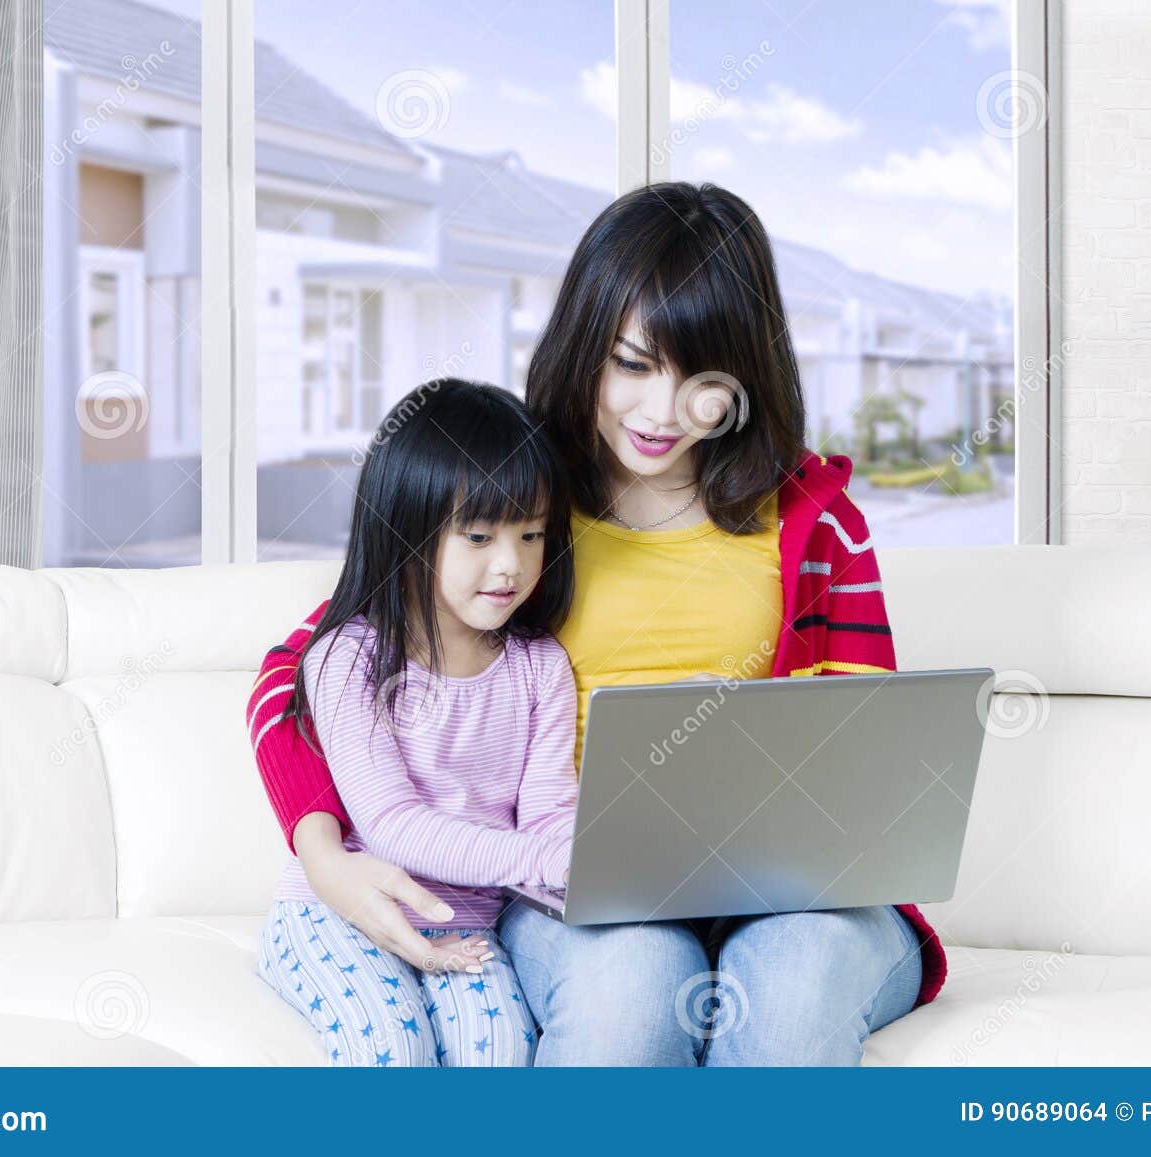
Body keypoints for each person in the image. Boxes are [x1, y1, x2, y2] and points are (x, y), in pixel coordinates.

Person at [248, 182, 946, 1066]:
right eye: (634, 364)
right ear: (586, 347)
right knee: (625, 1005)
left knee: (789, 1003)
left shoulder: (817, 522)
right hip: (577, 886)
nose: (662, 412)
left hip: (798, 899)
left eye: (704, 381)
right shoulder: (516, 498)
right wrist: (323, 853)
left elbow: (863, 753)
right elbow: (303, 668)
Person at [252, 380, 579, 1067]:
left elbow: (551, 814)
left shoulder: (540, 665)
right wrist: (545, 858)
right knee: (395, 1047)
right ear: (406, 530)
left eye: (532, 534)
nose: (510, 564)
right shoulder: (348, 655)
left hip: (470, 922)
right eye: (480, 536)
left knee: (498, 1054)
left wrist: (584, 859)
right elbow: (393, 823)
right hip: (338, 912)